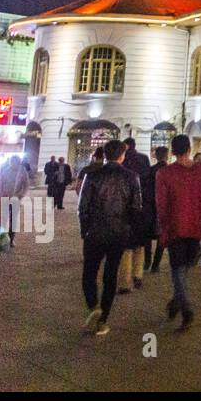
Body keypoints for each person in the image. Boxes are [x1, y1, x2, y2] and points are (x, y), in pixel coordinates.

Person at [77, 139, 142, 336]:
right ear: (122, 155)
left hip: (94, 232)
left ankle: (93, 305)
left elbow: (83, 207)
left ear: (105, 155)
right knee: (110, 275)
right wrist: (129, 228)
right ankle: (103, 319)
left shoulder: (92, 175)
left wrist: (84, 230)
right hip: (118, 233)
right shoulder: (132, 177)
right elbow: (136, 208)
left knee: (89, 272)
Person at [156, 134, 201, 332]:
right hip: (196, 226)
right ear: (189, 149)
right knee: (184, 267)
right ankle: (177, 302)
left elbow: (161, 205)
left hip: (175, 227)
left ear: (172, 151)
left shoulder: (164, 173)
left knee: (178, 268)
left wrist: (162, 226)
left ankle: (185, 307)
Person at [116, 138, 152, 290]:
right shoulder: (144, 158)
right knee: (140, 244)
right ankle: (138, 275)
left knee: (127, 246)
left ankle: (125, 280)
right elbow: (149, 179)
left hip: (127, 206)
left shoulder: (124, 161)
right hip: (143, 206)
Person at [143, 146, 168, 272]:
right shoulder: (169, 171)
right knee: (161, 236)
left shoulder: (150, 170)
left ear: (156, 156)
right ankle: (156, 264)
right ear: (167, 155)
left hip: (149, 206)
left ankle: (147, 261)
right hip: (163, 207)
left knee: (147, 235)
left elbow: (145, 189)